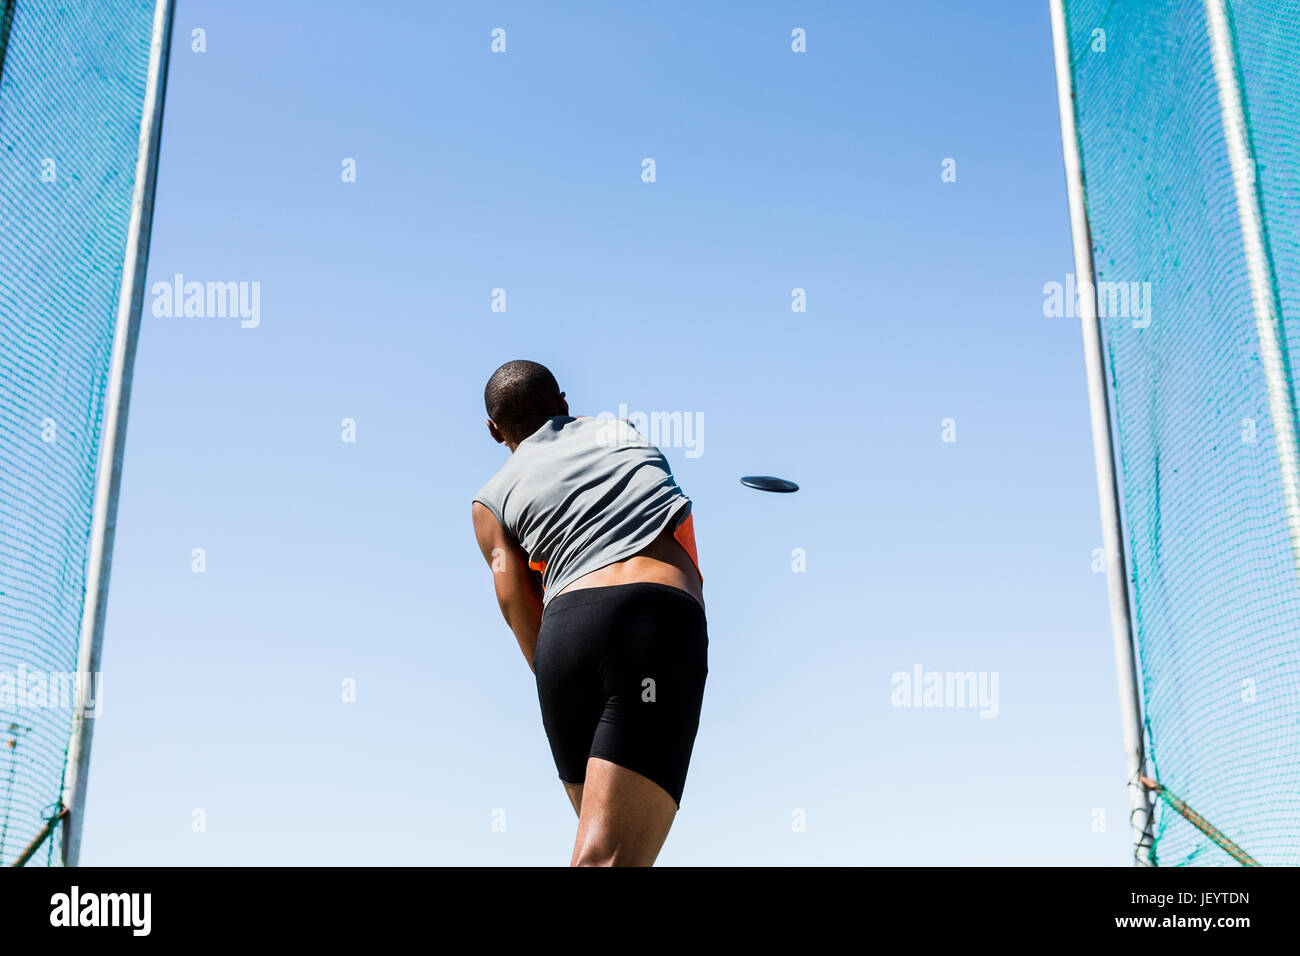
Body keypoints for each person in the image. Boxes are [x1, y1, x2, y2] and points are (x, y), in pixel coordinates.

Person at [471, 360, 707, 867]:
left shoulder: (489, 502)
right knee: (610, 858)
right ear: (562, 402)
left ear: (494, 431)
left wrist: (570, 679)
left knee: (604, 850)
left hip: (564, 639)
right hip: (654, 616)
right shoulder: (619, 431)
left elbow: (517, 608)